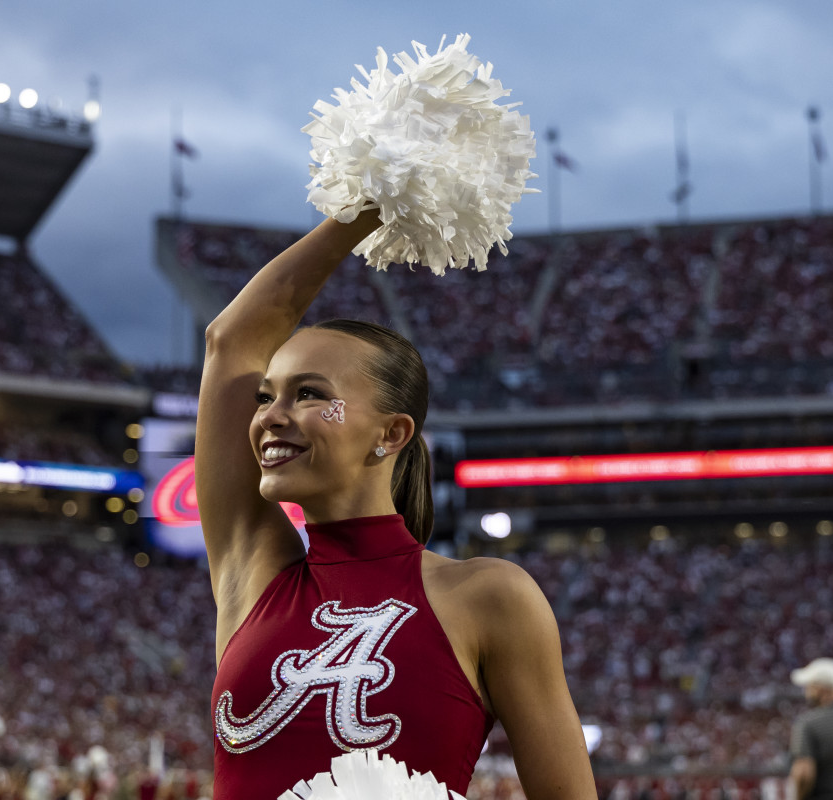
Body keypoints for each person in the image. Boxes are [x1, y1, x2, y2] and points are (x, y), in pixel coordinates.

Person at [195, 209, 596, 800]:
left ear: (391, 434)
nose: (271, 417)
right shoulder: (251, 571)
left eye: (310, 394)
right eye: (265, 396)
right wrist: (363, 204)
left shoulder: (489, 597)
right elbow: (230, 342)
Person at [789, 658, 833, 800]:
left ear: (820, 688)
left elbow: (804, 773)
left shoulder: (808, 723)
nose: (806, 691)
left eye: (809, 686)